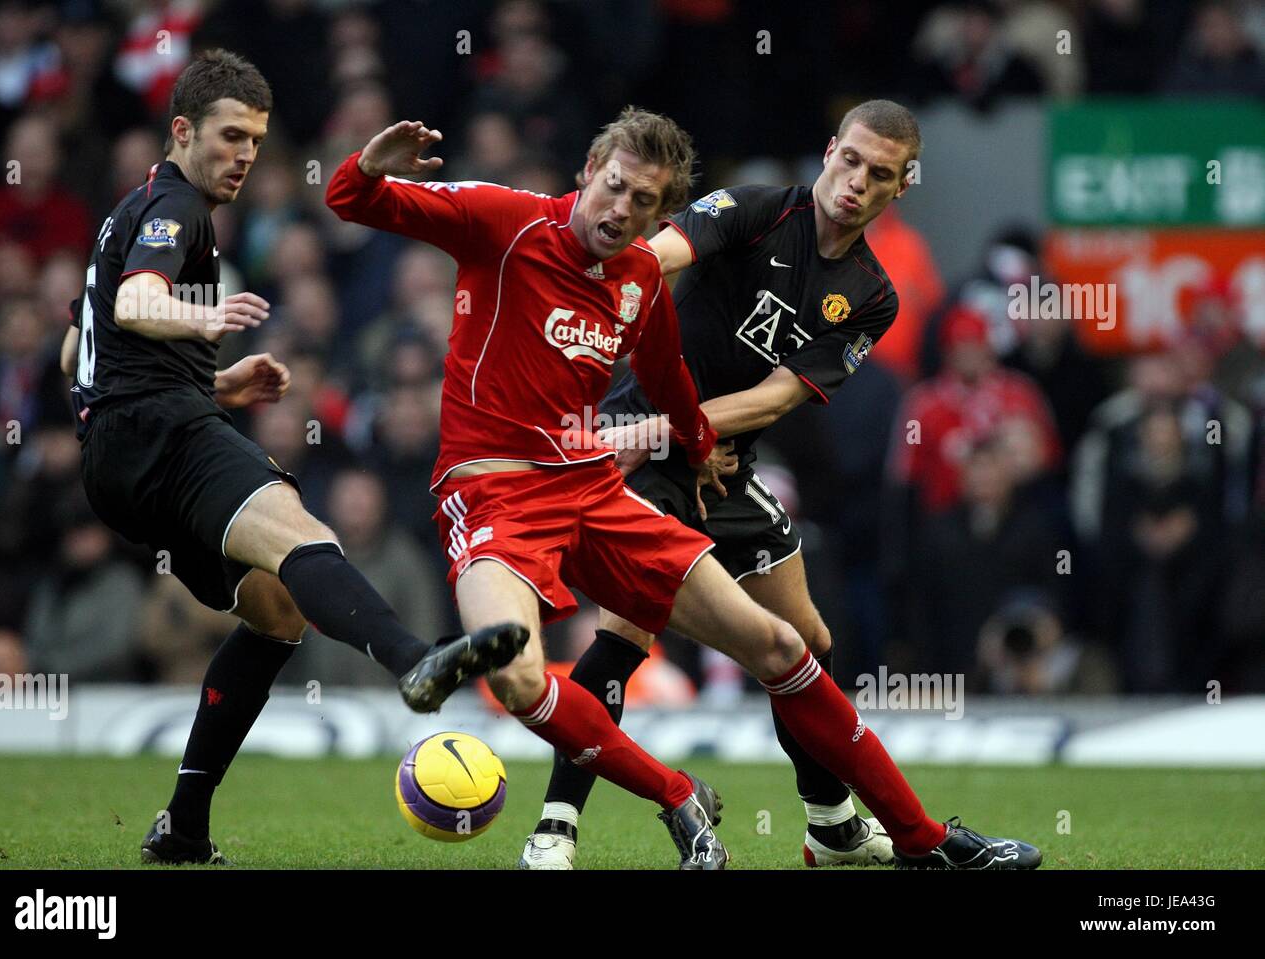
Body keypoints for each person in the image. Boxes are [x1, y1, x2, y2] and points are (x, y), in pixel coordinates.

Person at [327, 107, 1041, 870]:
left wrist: (697, 443)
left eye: (643, 203)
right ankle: (629, 805)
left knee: (791, 643)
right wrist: (370, 165)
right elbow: (352, 202)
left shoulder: (676, 282)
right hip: (503, 487)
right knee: (538, 666)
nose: (622, 211)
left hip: (618, 479)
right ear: (588, 173)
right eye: (614, 188)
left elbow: (674, 377)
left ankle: (909, 840)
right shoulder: (506, 219)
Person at [68, 50, 525, 866]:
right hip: (157, 431)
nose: (245, 155)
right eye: (230, 136)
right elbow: (138, 304)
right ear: (182, 130)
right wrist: (198, 325)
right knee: (299, 529)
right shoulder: (177, 205)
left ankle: (184, 824)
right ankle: (415, 660)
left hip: (116, 451)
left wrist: (213, 383)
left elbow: (82, 340)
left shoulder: (127, 209)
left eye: (256, 140)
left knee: (277, 611)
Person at [517, 99, 994, 870]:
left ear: (902, 186)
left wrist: (690, 430)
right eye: (850, 161)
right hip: (637, 444)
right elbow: (662, 254)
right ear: (830, 149)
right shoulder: (752, 210)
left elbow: (779, 396)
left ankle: (832, 825)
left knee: (809, 642)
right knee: (626, 630)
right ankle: (554, 831)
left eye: (879, 175)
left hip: (720, 459)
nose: (856, 182)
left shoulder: (874, 294)